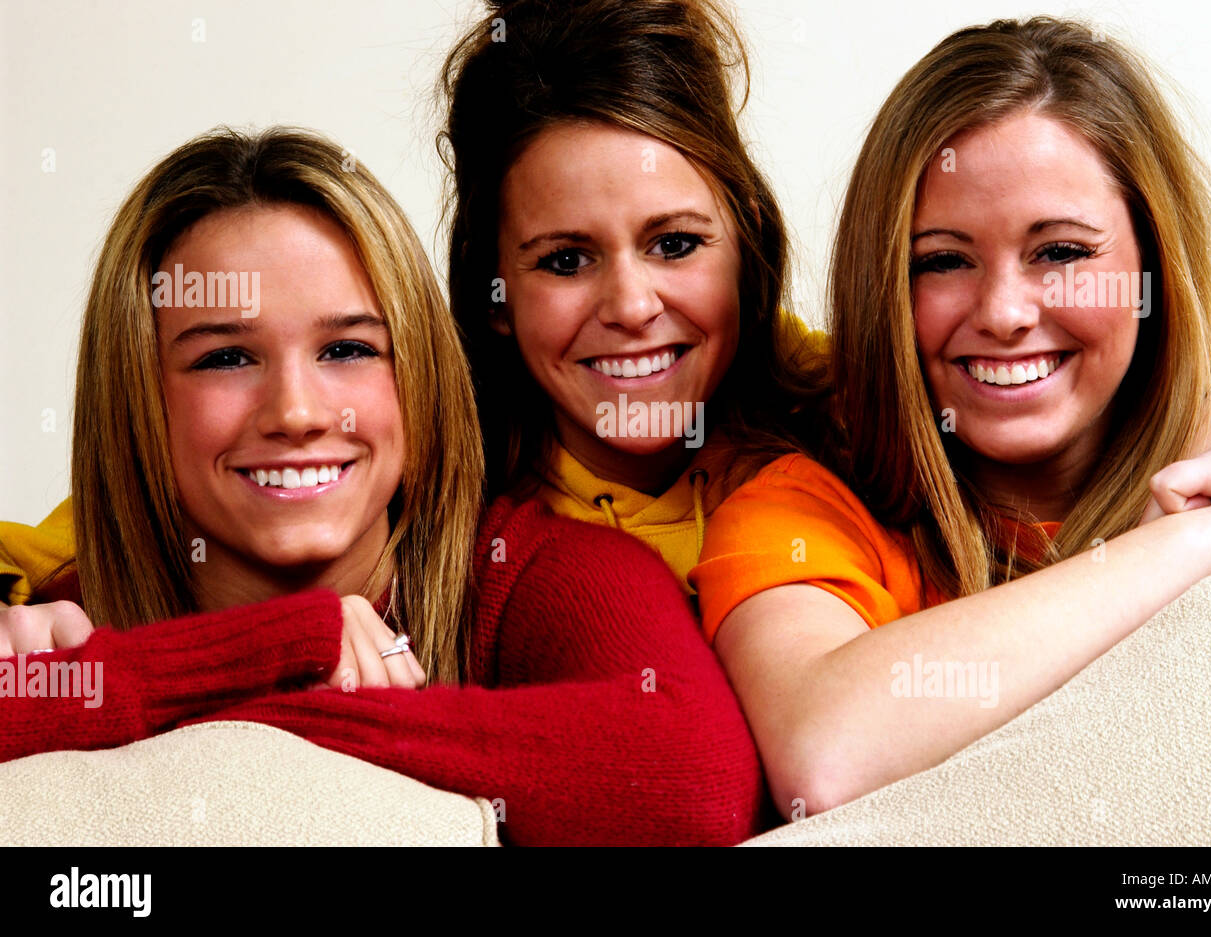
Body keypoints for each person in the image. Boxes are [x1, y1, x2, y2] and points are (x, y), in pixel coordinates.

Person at [0, 126, 764, 846]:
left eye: (348, 348)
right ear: (138, 395)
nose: (297, 413)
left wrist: (242, 700)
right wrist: (277, 647)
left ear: (416, 375)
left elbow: (691, 782)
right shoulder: (63, 623)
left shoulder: (535, 573)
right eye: (226, 359)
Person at [689, 17, 1211, 818]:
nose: (1005, 312)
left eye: (1062, 253)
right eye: (943, 260)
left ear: (1152, 262)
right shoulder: (796, 513)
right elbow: (825, 753)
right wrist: (1202, 540)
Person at [436, 0, 827, 591]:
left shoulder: (868, 418)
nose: (632, 307)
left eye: (673, 244)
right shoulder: (441, 532)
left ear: (747, 240)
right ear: (494, 293)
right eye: (565, 261)